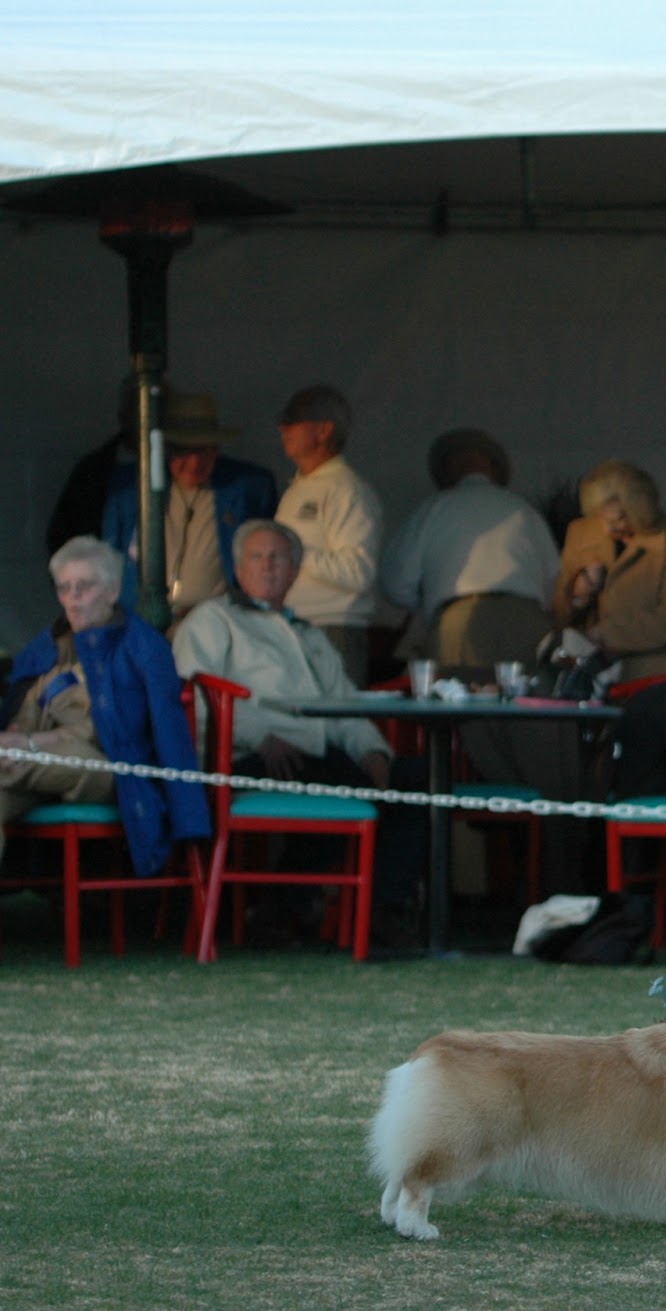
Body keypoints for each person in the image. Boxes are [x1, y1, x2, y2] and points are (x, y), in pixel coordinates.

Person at [171, 520, 420, 943]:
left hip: (314, 753)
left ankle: (380, 907)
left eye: (278, 558)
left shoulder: (311, 636)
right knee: (341, 780)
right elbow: (195, 694)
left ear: (294, 572)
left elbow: (344, 705)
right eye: (257, 557)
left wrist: (373, 751)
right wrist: (259, 736)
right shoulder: (213, 619)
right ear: (238, 569)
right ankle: (286, 907)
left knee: (413, 780)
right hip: (240, 755)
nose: (267, 567)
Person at [0, 537, 209, 875]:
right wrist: (18, 734)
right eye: (64, 588)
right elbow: (26, 704)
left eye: (83, 586)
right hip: (33, 765)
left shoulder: (143, 647)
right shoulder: (53, 644)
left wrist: (30, 744)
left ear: (113, 591)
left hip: (113, 770)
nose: (72, 598)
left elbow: (128, 730)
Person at [380, 428, 562, 666]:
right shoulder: (523, 510)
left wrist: (429, 604)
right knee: (526, 699)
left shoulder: (435, 508)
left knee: (462, 696)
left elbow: (395, 582)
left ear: (448, 472)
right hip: (528, 621)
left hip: (459, 622)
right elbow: (556, 581)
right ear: (494, 469)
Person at [100, 391, 278, 622]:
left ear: (216, 447)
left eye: (203, 450)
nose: (194, 463)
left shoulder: (248, 487)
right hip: (142, 623)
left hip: (219, 624)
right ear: (165, 449)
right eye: (183, 450)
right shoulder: (130, 487)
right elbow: (108, 556)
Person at [552, 459, 666, 681]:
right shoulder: (580, 532)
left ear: (642, 510)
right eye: (601, 517)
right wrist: (580, 590)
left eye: (620, 518)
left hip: (656, 674)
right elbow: (556, 609)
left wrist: (606, 634)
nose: (608, 527)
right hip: (594, 675)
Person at [275, 384, 383, 685]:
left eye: (293, 419)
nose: (282, 427)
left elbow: (359, 572)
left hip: (334, 630)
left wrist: (295, 552)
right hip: (293, 627)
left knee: (332, 727)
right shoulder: (296, 489)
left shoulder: (347, 490)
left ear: (323, 430)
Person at [46, 374, 140, 554]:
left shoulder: (179, 468)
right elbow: (61, 538)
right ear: (123, 416)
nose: (147, 422)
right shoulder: (93, 472)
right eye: (138, 412)